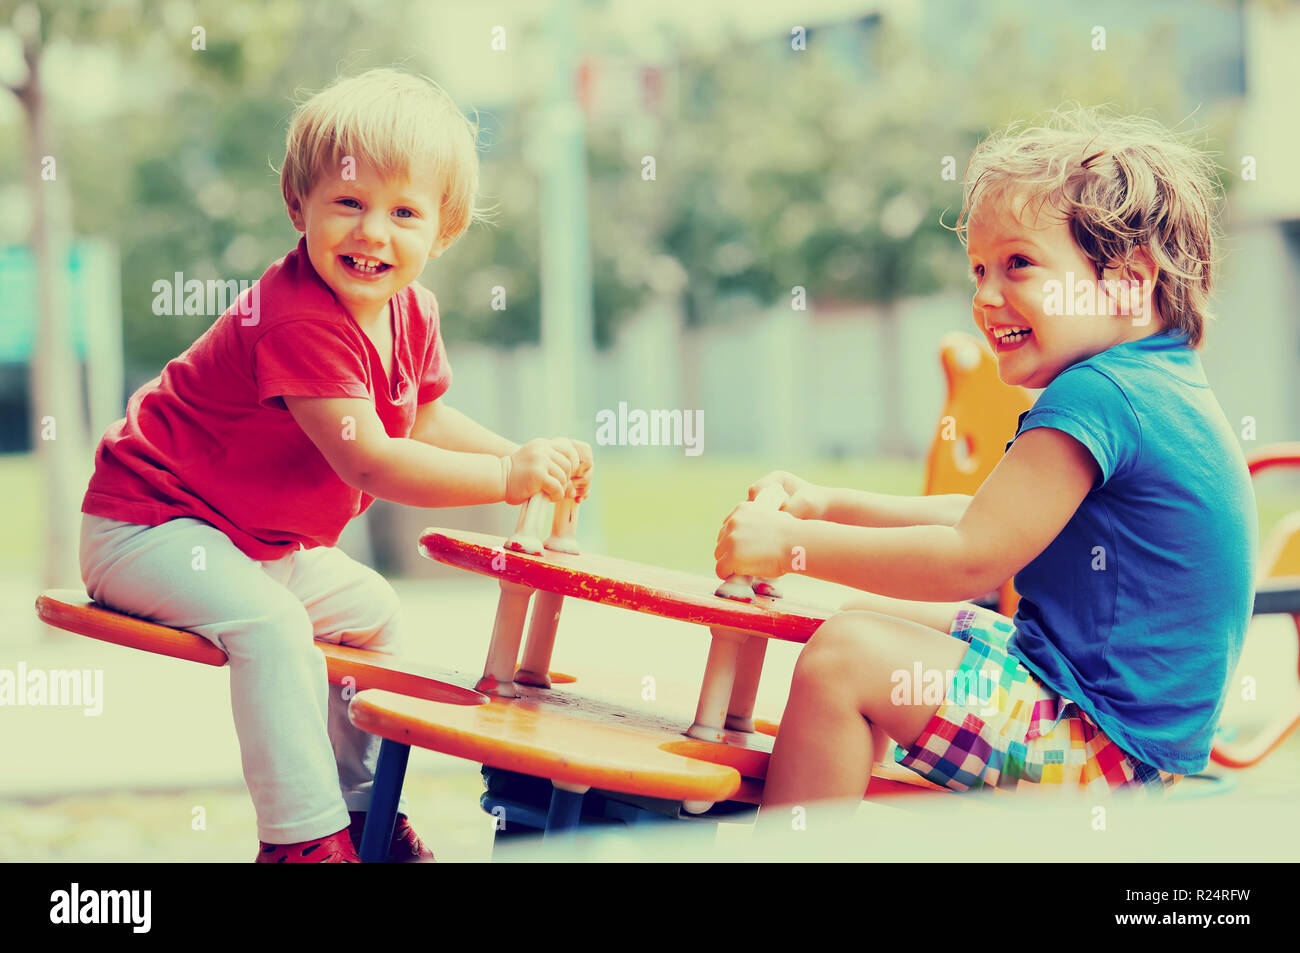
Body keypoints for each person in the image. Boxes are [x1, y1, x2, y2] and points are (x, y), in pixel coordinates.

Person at [80, 68, 592, 862]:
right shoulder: (296, 319)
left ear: (443, 230)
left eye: (404, 212)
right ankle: (300, 839)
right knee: (275, 628)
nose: (372, 233)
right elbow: (376, 462)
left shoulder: (410, 312)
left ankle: (361, 812)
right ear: (299, 207)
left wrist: (522, 457)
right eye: (348, 203)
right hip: (145, 525)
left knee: (373, 611)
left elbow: (418, 416)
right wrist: (507, 479)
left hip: (247, 542)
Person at [713, 106, 1255, 818]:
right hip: (1121, 742)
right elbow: (983, 518)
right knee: (871, 614)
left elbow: (972, 558)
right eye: (978, 269)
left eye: (1018, 263)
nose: (984, 296)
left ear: (1128, 279)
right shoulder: (1152, 380)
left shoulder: (1103, 391)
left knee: (844, 656)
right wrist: (825, 505)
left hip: (1103, 757)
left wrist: (791, 547)